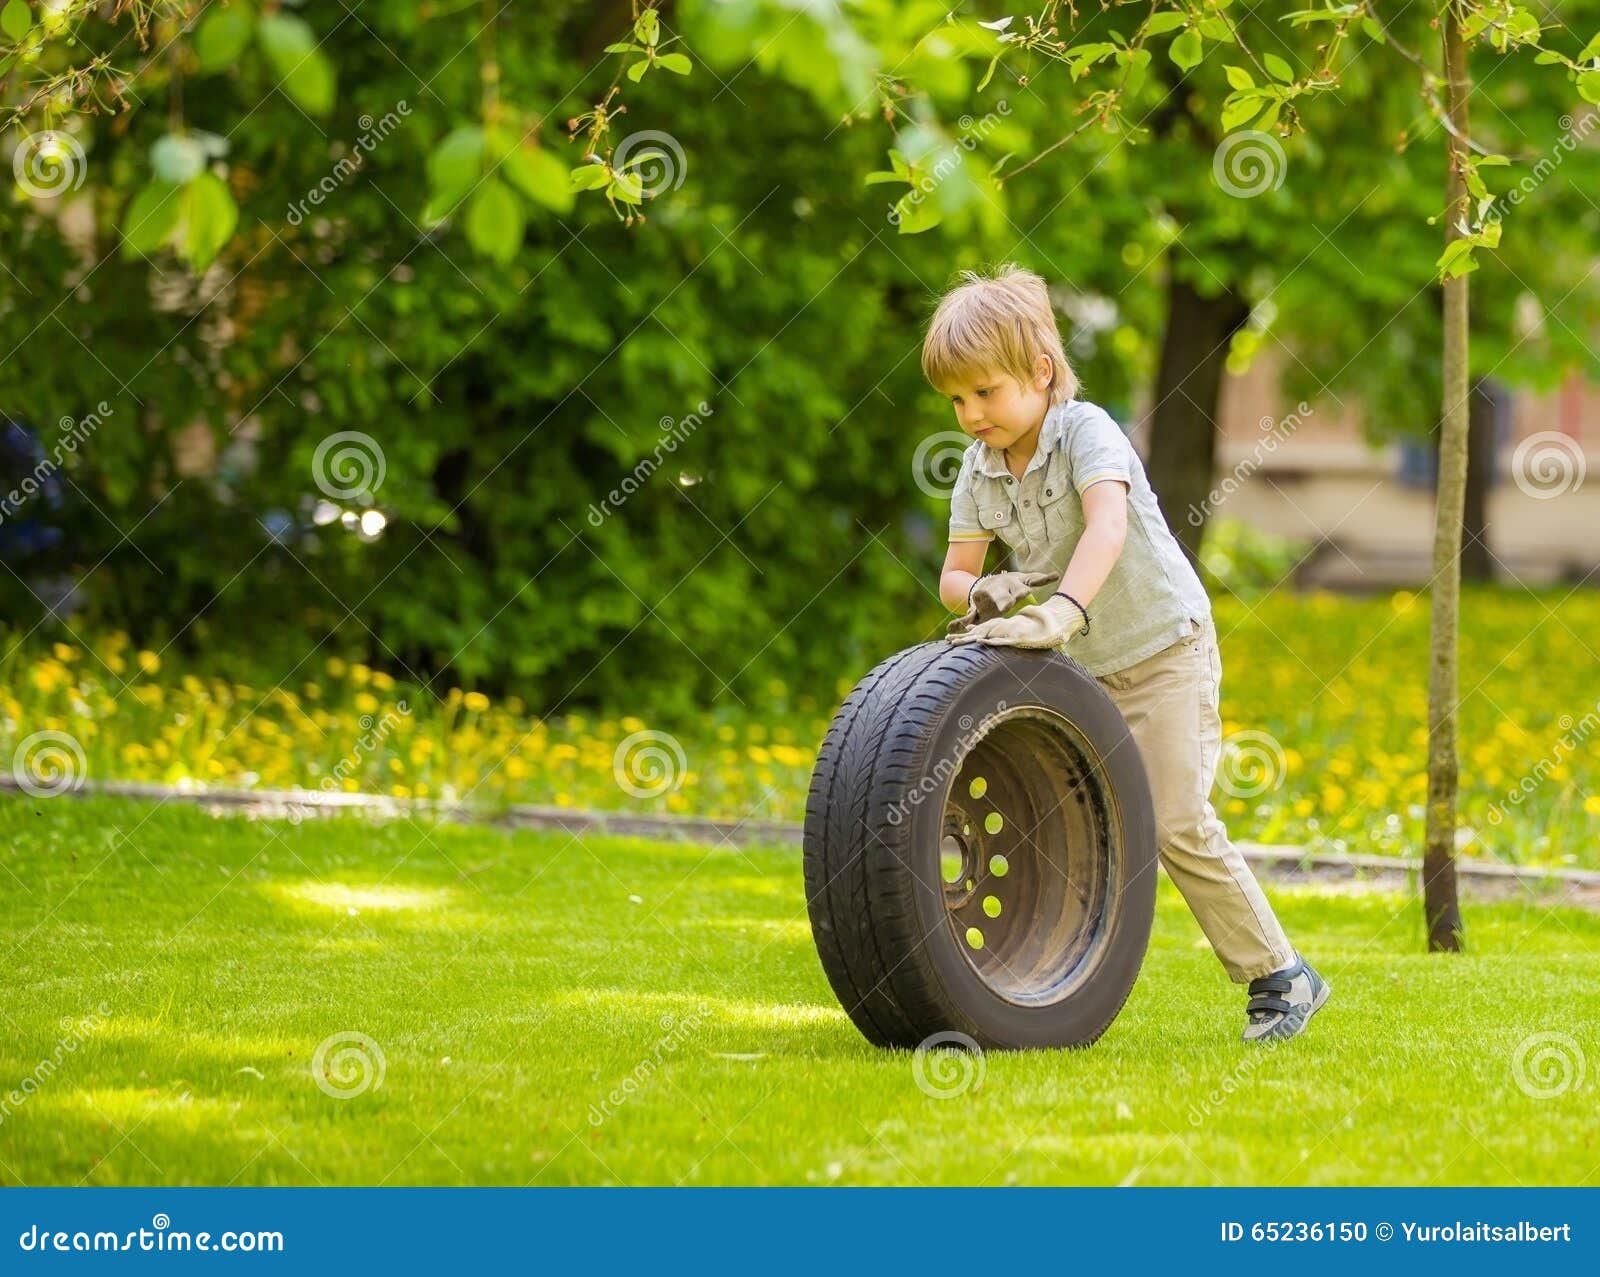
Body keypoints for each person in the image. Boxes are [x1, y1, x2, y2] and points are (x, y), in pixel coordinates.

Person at [922, 263, 1330, 1043]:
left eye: (986, 392)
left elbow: (1106, 526)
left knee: (1173, 818)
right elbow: (955, 574)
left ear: (1041, 373)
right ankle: (1043, 981)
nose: (971, 414)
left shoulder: (1087, 432)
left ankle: (1281, 974)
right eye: (957, 400)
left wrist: (1063, 609)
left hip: (1163, 646)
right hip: (1082, 664)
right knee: (1071, 823)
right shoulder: (977, 470)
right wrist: (984, 593)